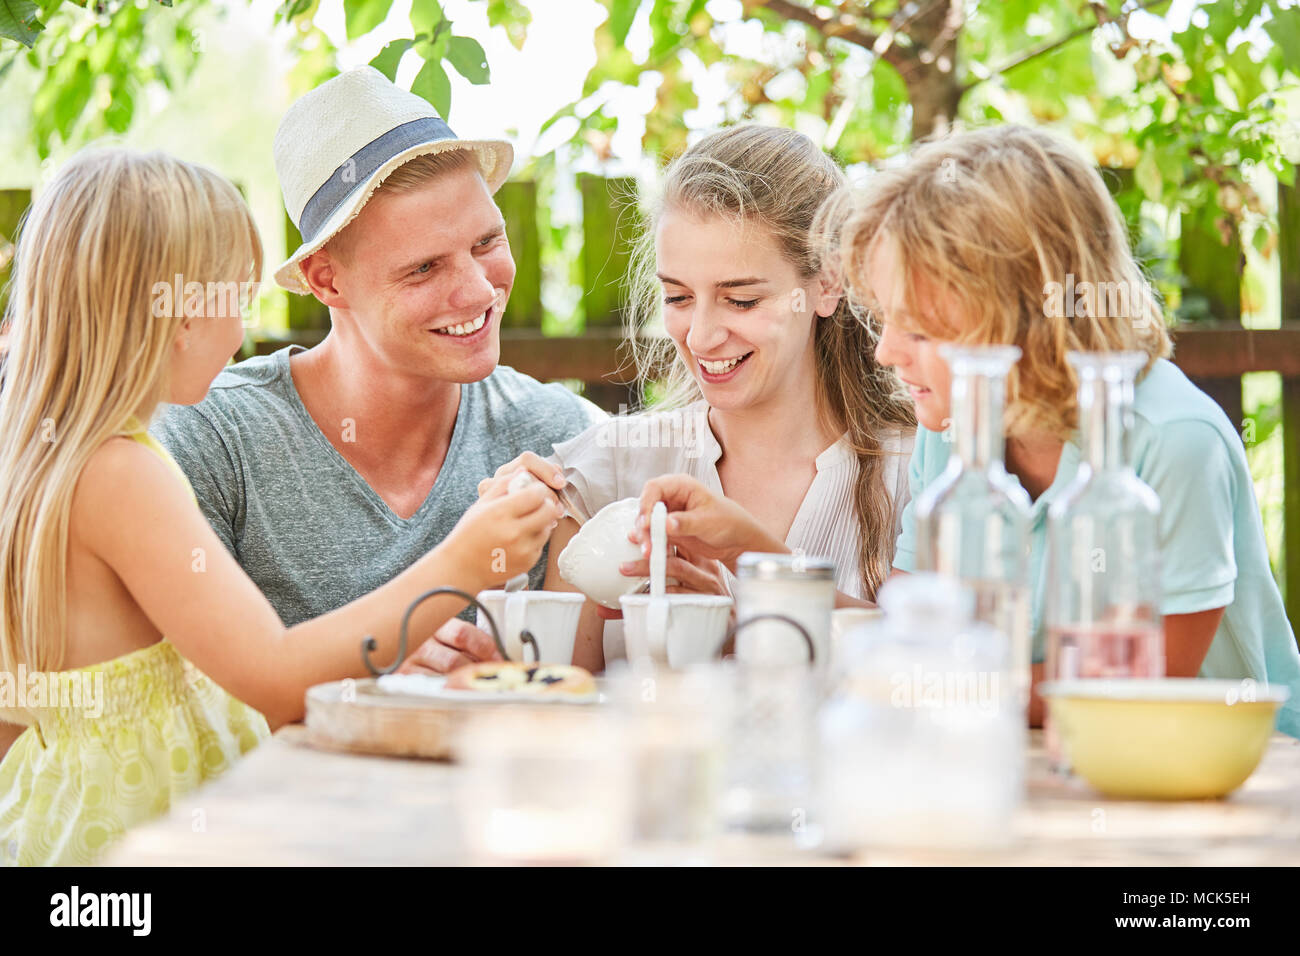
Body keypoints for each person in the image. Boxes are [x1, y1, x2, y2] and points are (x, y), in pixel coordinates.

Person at [0, 148, 560, 866]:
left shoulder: (54, 457)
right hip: (131, 840)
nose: (241, 332)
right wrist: (463, 561)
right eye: (235, 301)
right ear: (175, 315)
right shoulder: (122, 475)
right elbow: (272, 671)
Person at [834, 124, 1300, 735]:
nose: (885, 353)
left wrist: (940, 686)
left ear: (1027, 317)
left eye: (918, 329)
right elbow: (913, 630)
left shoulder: (1174, 437)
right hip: (1036, 756)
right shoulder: (954, 424)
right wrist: (751, 561)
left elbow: (1141, 683)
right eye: (885, 321)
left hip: (1222, 776)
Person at [412, 125, 917, 675]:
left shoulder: (915, 474)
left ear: (828, 283)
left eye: (741, 300)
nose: (700, 337)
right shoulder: (609, 472)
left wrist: (737, 622)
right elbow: (565, 703)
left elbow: (935, 673)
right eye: (678, 297)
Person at [151, 67, 602, 653]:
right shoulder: (211, 442)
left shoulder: (556, 434)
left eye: (487, 243)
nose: (478, 292)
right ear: (326, 280)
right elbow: (189, 708)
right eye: (424, 267)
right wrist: (366, 683)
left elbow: (584, 690)